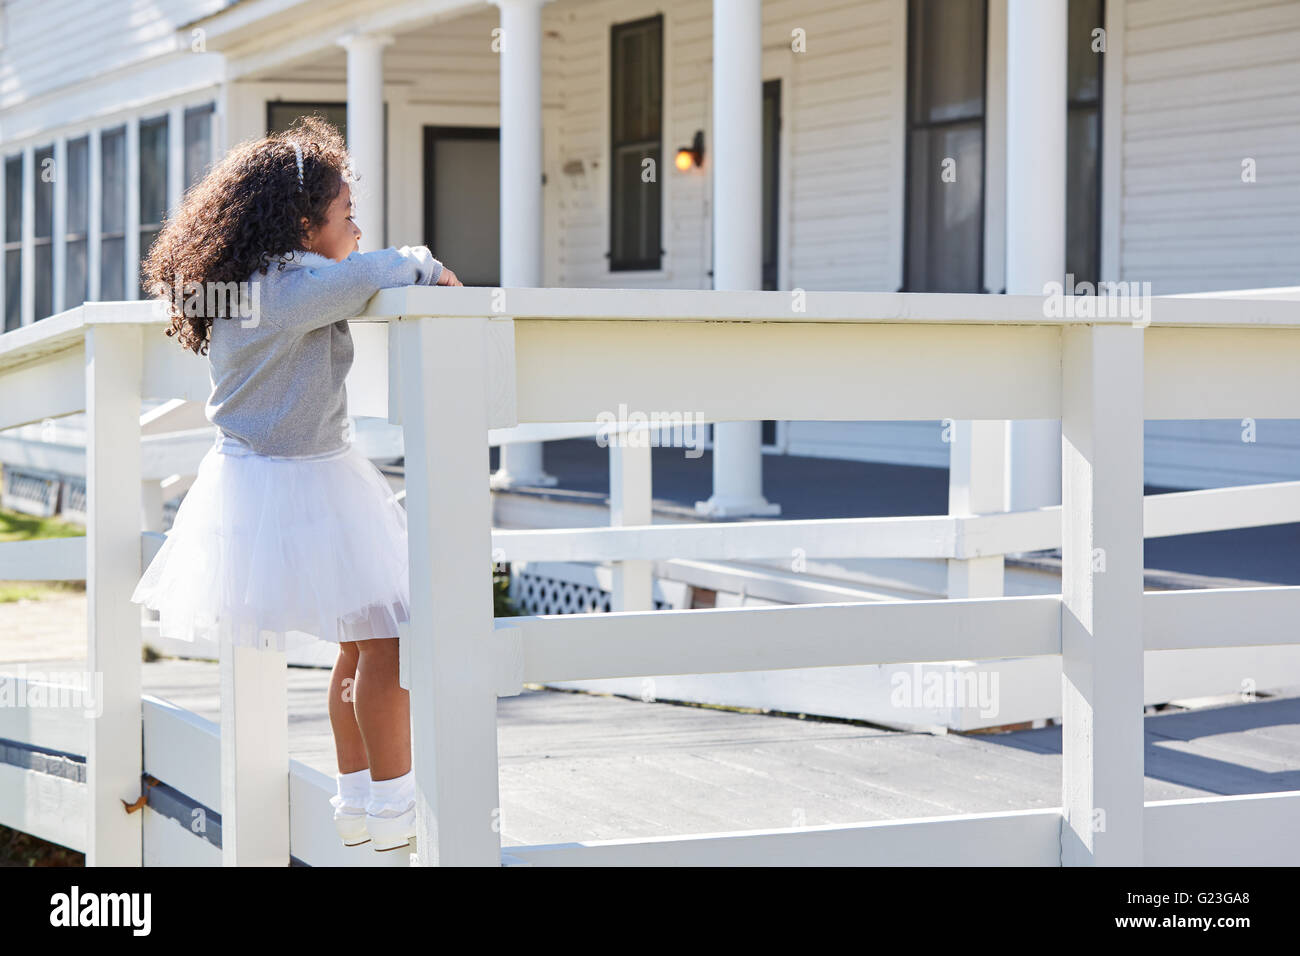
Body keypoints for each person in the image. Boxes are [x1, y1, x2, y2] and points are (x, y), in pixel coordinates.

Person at [130, 116, 461, 852]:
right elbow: (369, 274)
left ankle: (355, 800)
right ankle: (397, 804)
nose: (357, 227)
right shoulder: (291, 287)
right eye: (347, 215)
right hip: (304, 482)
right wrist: (425, 264)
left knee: (360, 644)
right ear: (303, 222)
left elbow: (348, 275)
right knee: (390, 640)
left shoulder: (250, 283)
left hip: (270, 480)